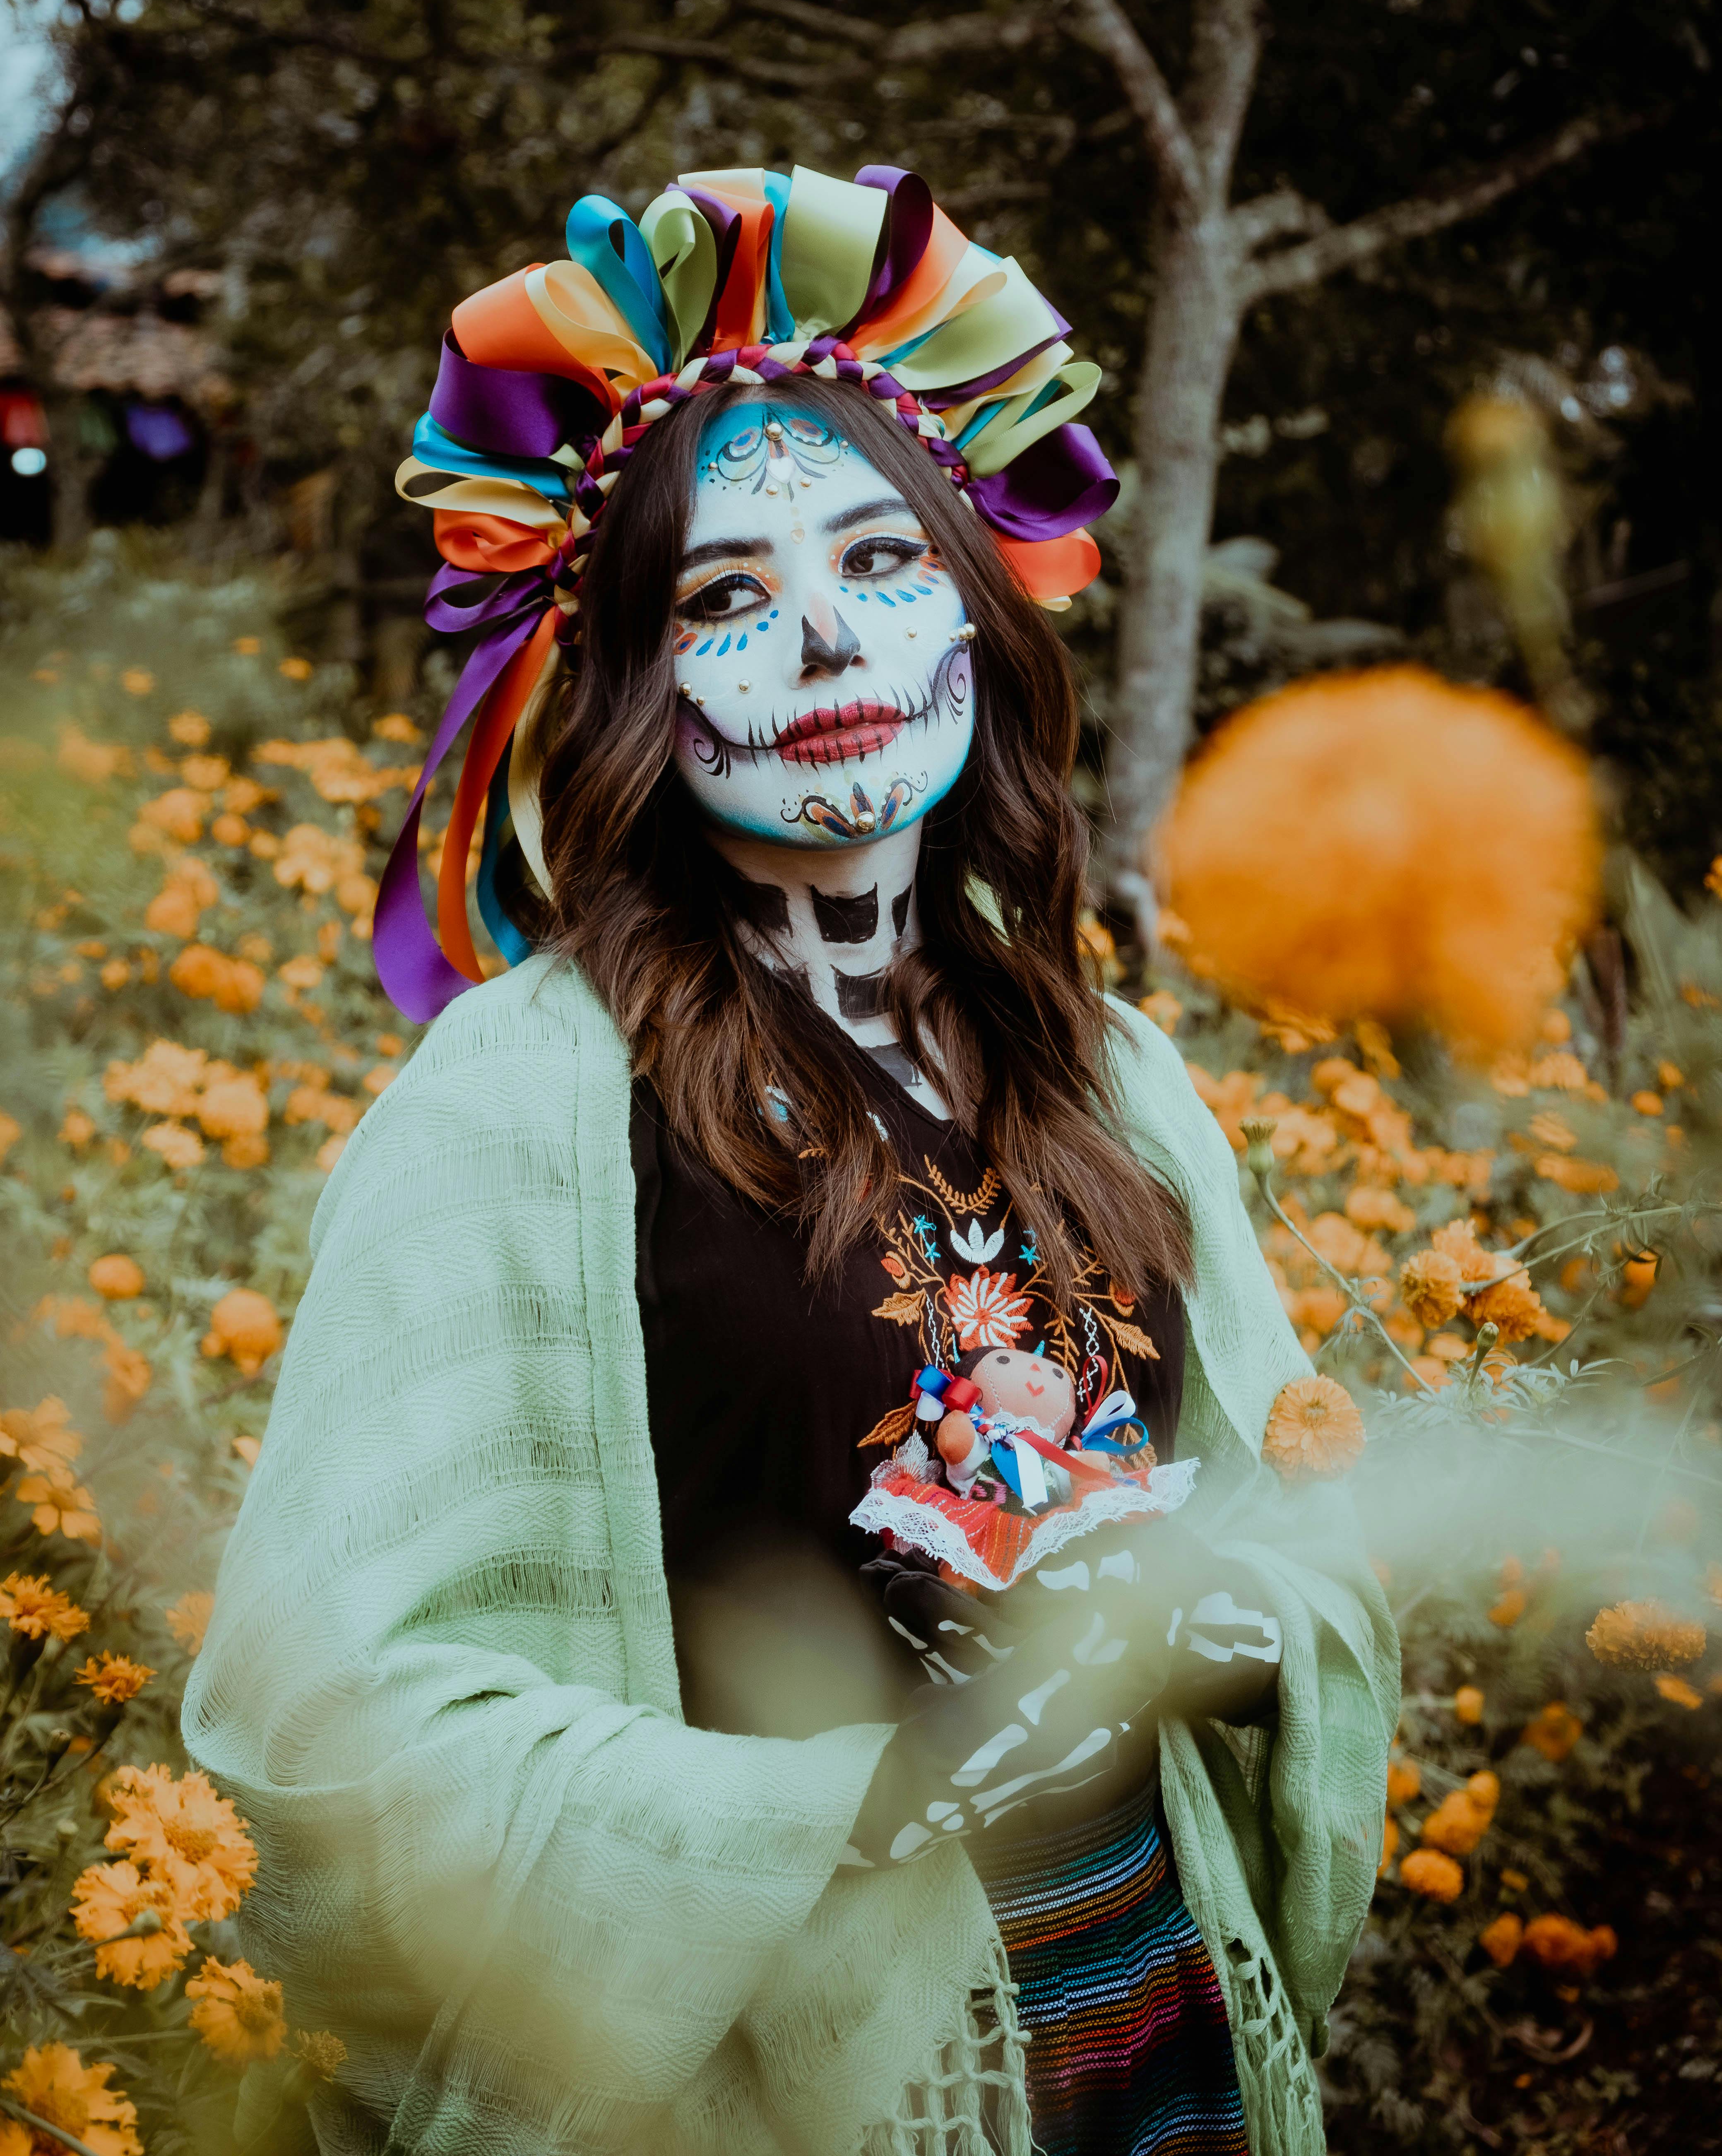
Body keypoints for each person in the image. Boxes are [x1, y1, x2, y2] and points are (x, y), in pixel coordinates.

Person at [185, 162, 1396, 2156]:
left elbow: (1298, 1494)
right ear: (635, 692)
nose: (825, 642)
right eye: (727, 601)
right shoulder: (515, 1109)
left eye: (883, 566)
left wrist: (1242, 1623)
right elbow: (317, 1724)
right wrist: (845, 1799)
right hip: (791, 2075)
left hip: (1159, 2017)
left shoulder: (1106, 1066)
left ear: (980, 611)